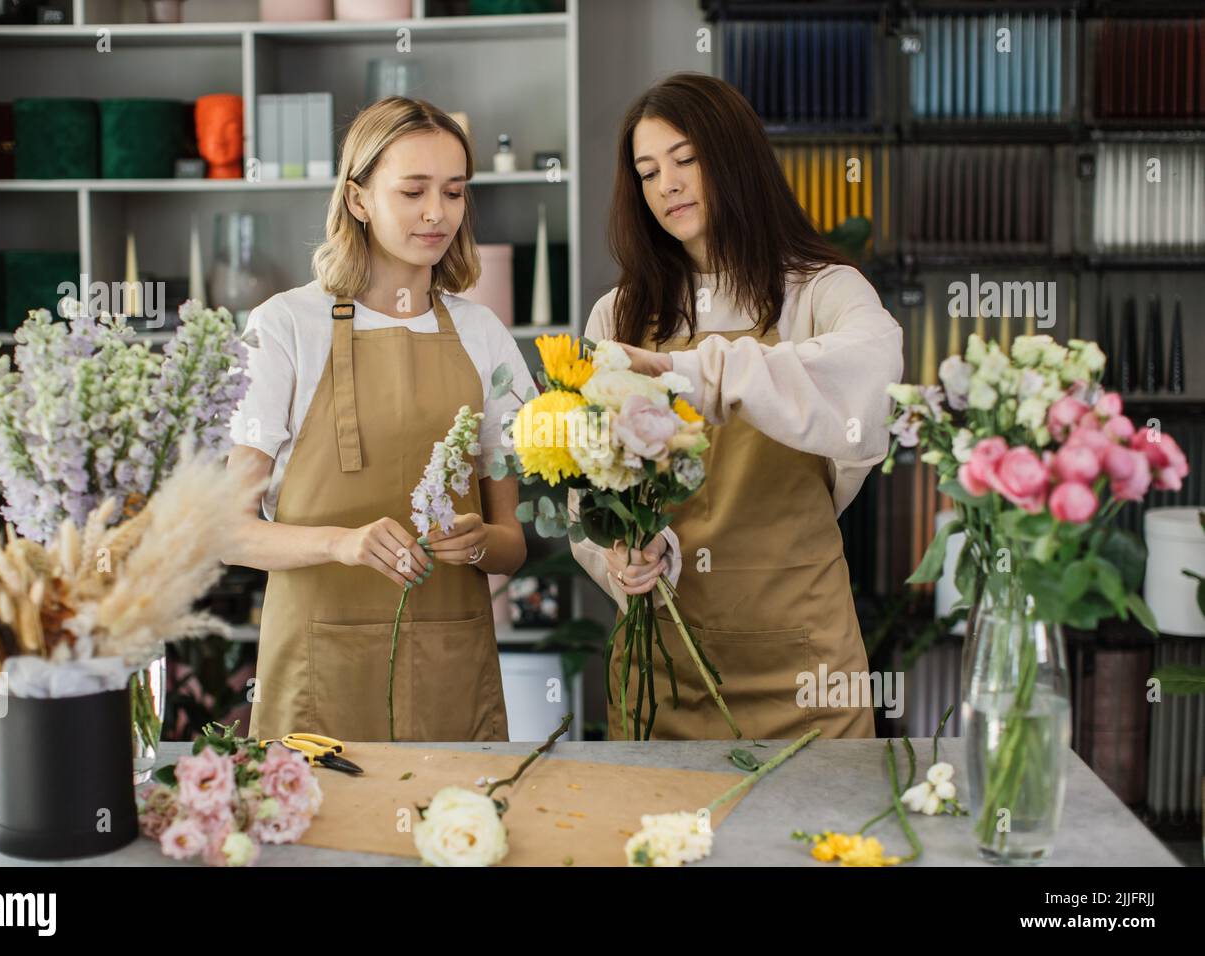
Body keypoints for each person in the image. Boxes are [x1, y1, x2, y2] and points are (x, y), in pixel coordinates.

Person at [570, 73, 903, 740]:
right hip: (665, 656)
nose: (668, 184)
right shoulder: (619, 312)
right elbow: (582, 489)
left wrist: (685, 372)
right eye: (648, 171)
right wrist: (615, 555)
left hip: (804, 660)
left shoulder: (824, 291)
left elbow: (871, 379)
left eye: (687, 160)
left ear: (736, 158)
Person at [224, 96, 535, 743]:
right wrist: (341, 544)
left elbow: (513, 545)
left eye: (453, 192)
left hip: (452, 667)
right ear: (359, 198)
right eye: (413, 190)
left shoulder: (483, 335)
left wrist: (477, 540)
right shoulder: (284, 327)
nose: (437, 213)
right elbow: (229, 532)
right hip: (318, 673)